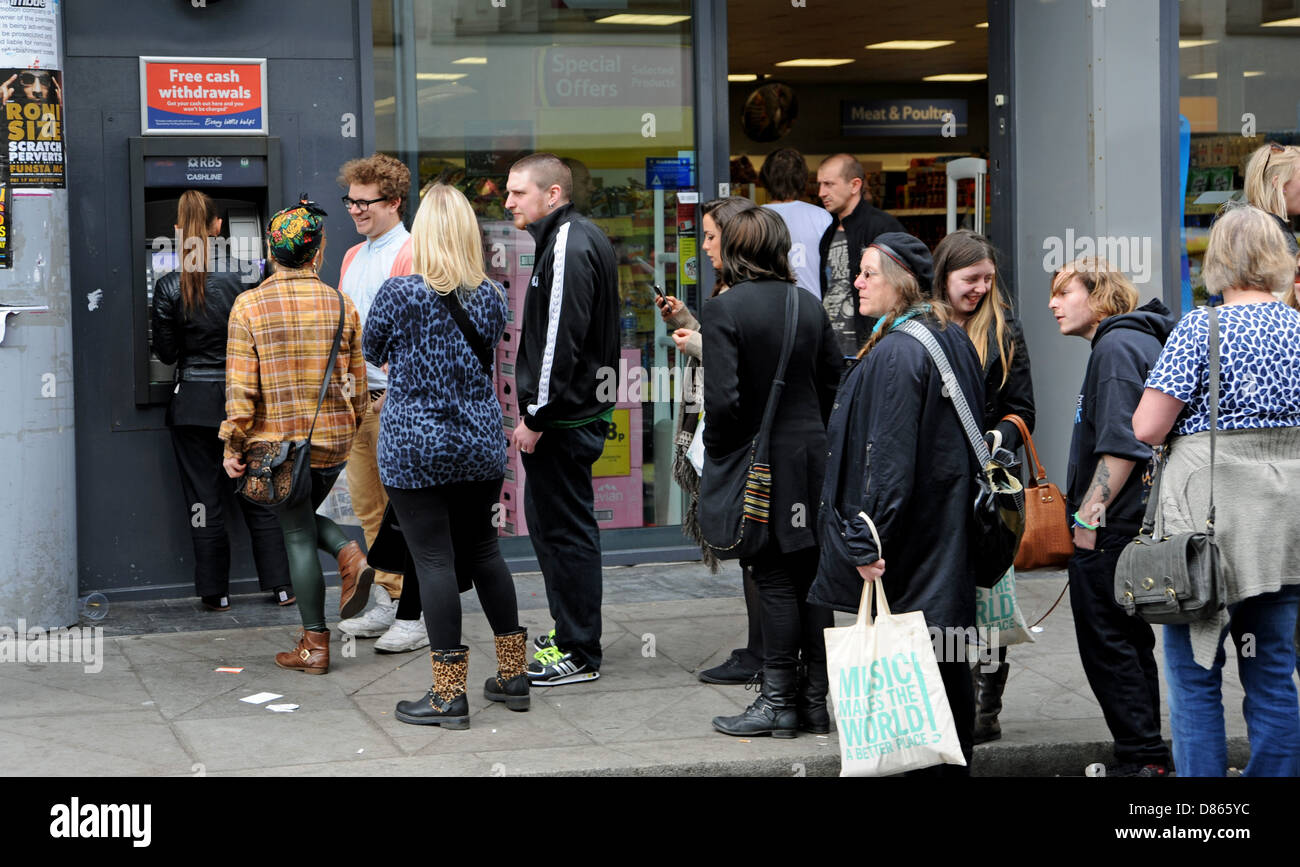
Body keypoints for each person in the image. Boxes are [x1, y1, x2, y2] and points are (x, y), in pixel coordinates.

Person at [1133, 203, 1300, 776]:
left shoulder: (1200, 329)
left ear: (1218, 260)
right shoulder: (1299, 329)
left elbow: (1148, 427)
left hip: (1207, 524)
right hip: (1284, 527)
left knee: (1193, 675)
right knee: (1273, 670)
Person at [810, 232, 984, 773]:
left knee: (911, 679)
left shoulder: (898, 350)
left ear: (901, 283)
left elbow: (884, 458)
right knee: (944, 671)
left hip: (905, 548)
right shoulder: (945, 336)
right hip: (945, 536)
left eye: (868, 274)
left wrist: (865, 539)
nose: (857, 283)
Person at [363, 184, 527, 728]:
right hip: (479, 442)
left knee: (433, 560)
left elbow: (373, 351)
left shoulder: (400, 293)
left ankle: (447, 694)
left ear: (426, 235)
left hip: (415, 445)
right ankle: (512, 675)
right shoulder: (492, 296)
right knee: (484, 552)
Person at [703, 208, 842, 738]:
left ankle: (777, 702)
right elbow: (834, 384)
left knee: (775, 580)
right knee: (810, 582)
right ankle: (812, 705)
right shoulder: (808, 304)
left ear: (736, 249)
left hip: (759, 463)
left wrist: (721, 458)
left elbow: (723, 403)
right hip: (812, 458)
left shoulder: (724, 309)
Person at [220, 198, 368, 675]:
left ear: (271, 249)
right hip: (333, 442)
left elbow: (241, 388)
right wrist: (355, 423)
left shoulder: (249, 305)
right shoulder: (341, 304)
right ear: (318, 251)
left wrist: (233, 444)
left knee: (298, 534)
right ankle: (349, 555)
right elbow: (358, 385)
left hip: (276, 444)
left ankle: (315, 647)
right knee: (303, 516)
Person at [1048, 257, 1175, 776]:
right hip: (1131, 522)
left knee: (1109, 646)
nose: (1053, 304)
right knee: (1128, 643)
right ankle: (1147, 756)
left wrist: (1086, 520)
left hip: (1113, 526)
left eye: (1063, 292)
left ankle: (1142, 760)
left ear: (1098, 296)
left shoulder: (1118, 347)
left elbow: (1123, 446)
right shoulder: (1132, 342)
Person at [503, 153, 619, 686]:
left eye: (518, 193)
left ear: (552, 194)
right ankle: (570, 633)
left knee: (565, 533)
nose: (508, 203)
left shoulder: (571, 239)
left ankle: (577, 649)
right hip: (569, 417)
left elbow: (558, 340)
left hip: (563, 422)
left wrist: (535, 415)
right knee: (555, 531)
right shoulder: (570, 236)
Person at [151, 190, 291, 612]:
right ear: (218, 227)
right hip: (243, 402)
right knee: (257, 490)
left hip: (192, 404)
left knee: (203, 500)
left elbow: (168, 354)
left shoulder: (169, 285)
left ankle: (216, 592)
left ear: (178, 231)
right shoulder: (249, 276)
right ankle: (282, 586)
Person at [655, 196, 768, 685]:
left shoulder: (756, 296)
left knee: (759, 554)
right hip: (736, 442)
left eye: (710, 236)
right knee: (752, 556)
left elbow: (747, 363)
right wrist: (686, 323)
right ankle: (763, 652)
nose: (703, 246)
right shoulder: (733, 292)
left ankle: (769, 658)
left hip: (749, 447)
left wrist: (697, 341)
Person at [931, 229, 1035, 744]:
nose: (979, 289)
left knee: (992, 596)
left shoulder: (1004, 328)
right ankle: (949, 694)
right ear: (943, 276)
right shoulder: (923, 327)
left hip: (989, 485)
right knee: (943, 593)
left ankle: (985, 705)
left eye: (988, 280)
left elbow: (1026, 411)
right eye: (970, 279)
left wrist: (999, 435)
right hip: (935, 483)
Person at [334, 153, 421, 652]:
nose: (355, 211)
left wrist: (397, 391)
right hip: (356, 398)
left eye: (365, 203)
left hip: (393, 399)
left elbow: (414, 333)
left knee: (404, 512)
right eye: (350, 201)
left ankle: (415, 609)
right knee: (370, 507)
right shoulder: (351, 256)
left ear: (393, 202)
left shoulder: (408, 252)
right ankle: (390, 599)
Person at [816, 153, 904, 356]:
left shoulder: (883, 228)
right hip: (833, 351)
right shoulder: (828, 233)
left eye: (829, 184)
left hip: (872, 348)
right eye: (820, 184)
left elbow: (905, 289)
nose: (821, 192)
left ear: (855, 185)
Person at [760, 148, 831, 299]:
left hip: (765, 308)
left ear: (765, 179)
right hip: (812, 307)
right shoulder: (822, 217)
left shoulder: (752, 220)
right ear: (803, 180)